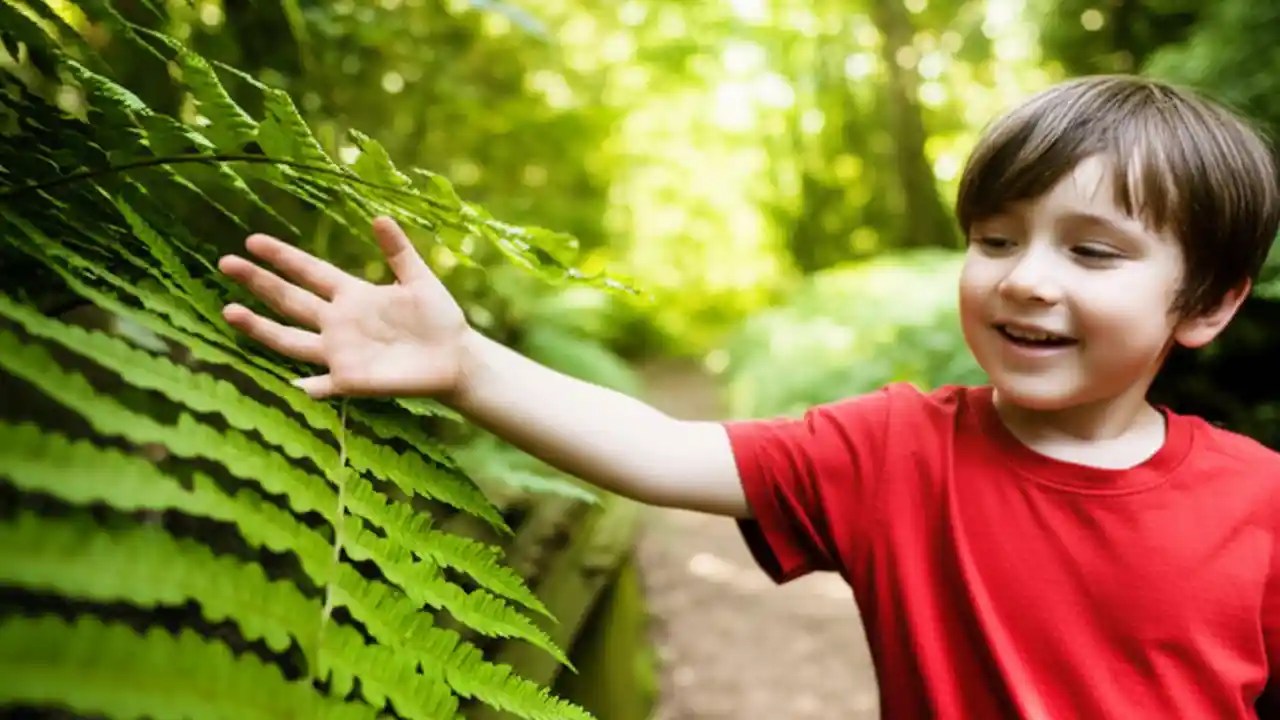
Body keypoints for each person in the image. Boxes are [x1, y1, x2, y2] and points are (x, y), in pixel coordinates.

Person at [218, 75, 1280, 718]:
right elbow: (661, 452)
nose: (1024, 277)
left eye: (1090, 252)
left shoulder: (1261, 506)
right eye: (993, 239)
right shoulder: (895, 450)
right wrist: (465, 365)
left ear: (1204, 305)